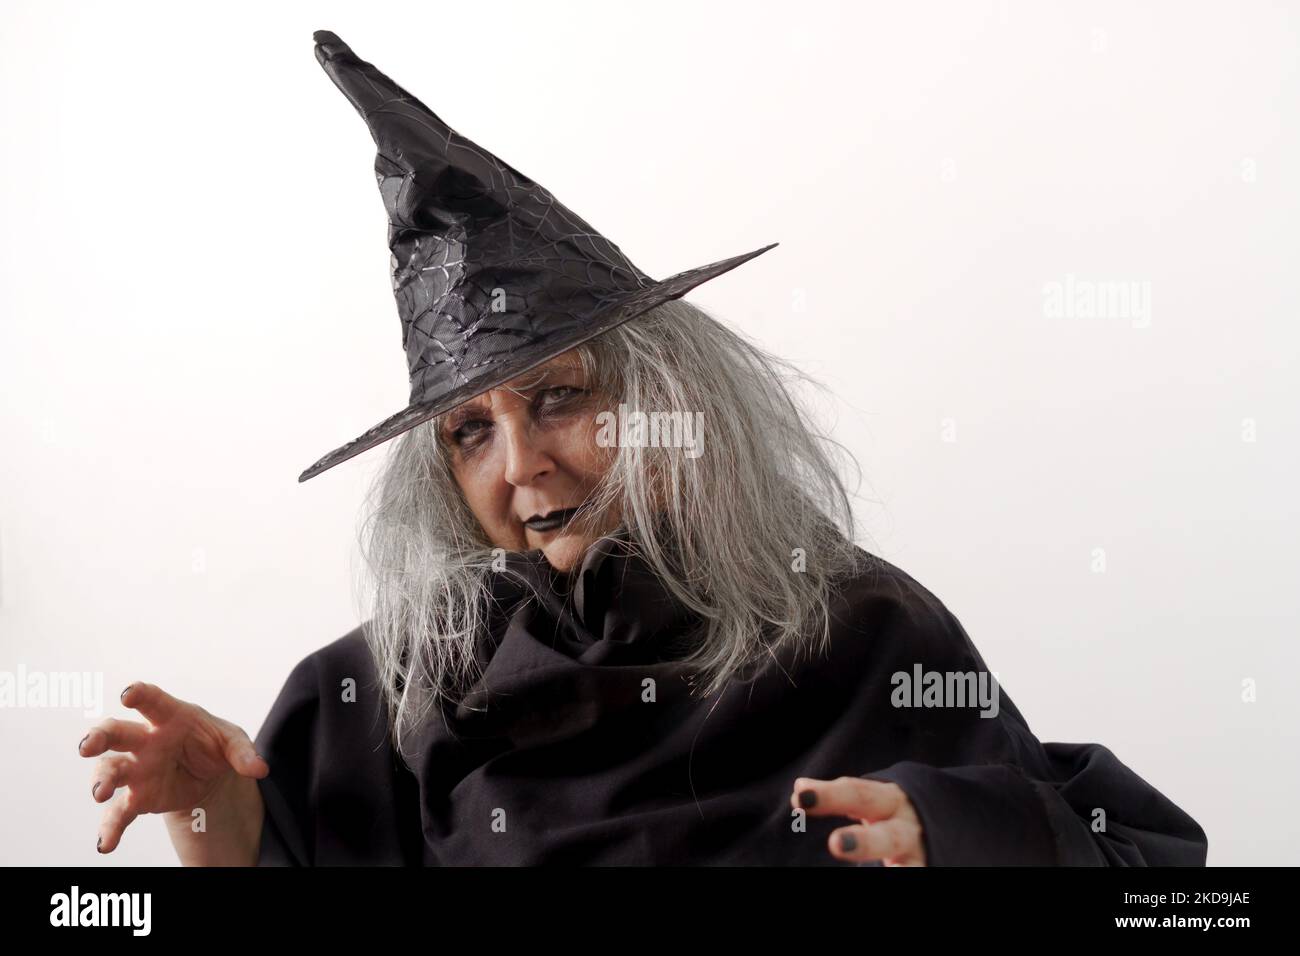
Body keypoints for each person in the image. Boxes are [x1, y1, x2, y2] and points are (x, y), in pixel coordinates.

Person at [76, 32, 1208, 866]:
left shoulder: (863, 629)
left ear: (669, 398)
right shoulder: (396, 681)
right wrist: (213, 823)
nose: (521, 465)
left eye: (560, 399)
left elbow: (1158, 876)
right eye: (470, 430)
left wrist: (961, 839)